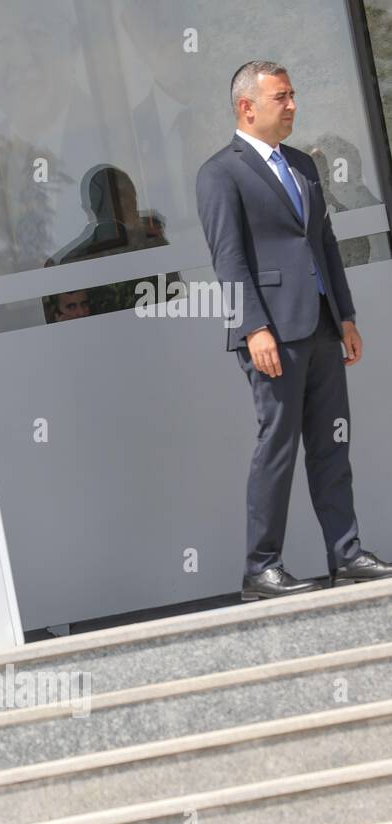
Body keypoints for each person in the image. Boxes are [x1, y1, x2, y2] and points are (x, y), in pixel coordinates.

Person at [195, 60, 392, 600]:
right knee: (277, 447)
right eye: (281, 97)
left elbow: (324, 246)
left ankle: (346, 554)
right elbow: (229, 259)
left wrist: (346, 315)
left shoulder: (303, 164)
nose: (292, 105)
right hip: (272, 335)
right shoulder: (220, 172)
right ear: (247, 106)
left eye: (292, 95)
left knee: (332, 444)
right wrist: (254, 327)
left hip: (323, 326)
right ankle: (261, 567)